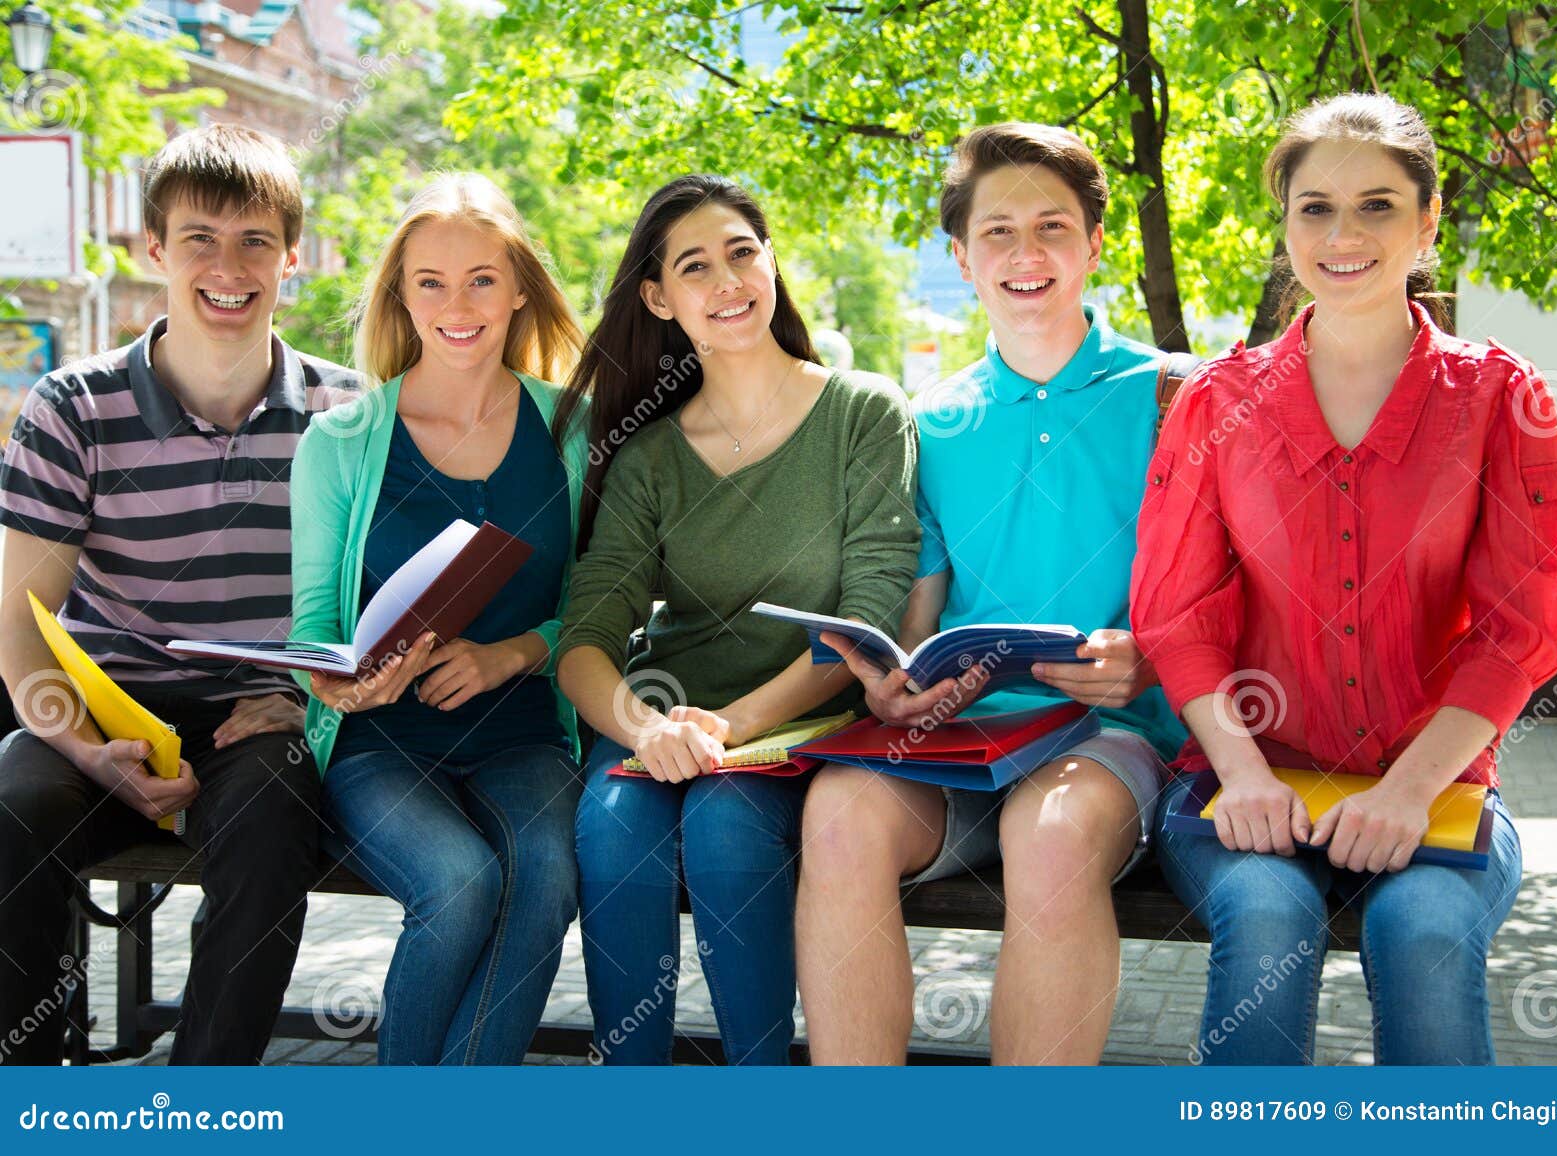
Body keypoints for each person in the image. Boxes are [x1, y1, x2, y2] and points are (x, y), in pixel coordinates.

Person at [1132, 93, 1557, 1065]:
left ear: (1427, 224)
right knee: (1265, 918)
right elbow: (1175, 614)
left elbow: (1524, 622)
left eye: (1377, 205)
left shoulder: (1504, 397)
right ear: (1284, 224)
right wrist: (1244, 775)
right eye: (1315, 207)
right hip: (1245, 786)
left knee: (1419, 930)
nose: (1343, 234)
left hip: (1437, 789)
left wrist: (1410, 791)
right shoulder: (1216, 400)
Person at [797, 123, 1187, 1064]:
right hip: (963, 737)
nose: (1027, 254)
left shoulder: (1179, 396)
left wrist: (1151, 656)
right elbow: (920, 617)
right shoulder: (930, 419)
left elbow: (1233, 595)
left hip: (1113, 740)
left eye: (1053, 227)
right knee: (839, 812)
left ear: (1095, 246)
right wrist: (894, 686)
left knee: (1046, 836)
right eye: (998, 232)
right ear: (962, 258)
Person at [0, 125, 357, 1064]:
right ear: (154, 249)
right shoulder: (70, 408)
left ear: (292, 257)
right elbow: (19, 626)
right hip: (101, 709)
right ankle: (29, 1092)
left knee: (276, 813)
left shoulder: (346, 415)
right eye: (200, 237)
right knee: (9, 802)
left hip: (263, 720)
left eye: (255, 240)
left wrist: (305, 700)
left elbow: (372, 614)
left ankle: (203, 1099)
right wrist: (84, 745)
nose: (228, 265)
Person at [553, 174, 919, 1064]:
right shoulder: (646, 454)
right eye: (695, 267)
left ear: (772, 263)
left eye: (742, 253)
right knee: (608, 825)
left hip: (800, 721)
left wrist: (732, 728)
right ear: (659, 298)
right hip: (668, 721)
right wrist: (648, 729)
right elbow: (585, 639)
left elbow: (866, 615)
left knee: (723, 829)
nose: (727, 282)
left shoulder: (864, 411)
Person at [290, 174, 588, 1065]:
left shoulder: (573, 429)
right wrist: (336, 679)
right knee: (459, 884)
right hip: (383, 741)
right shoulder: (340, 441)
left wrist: (514, 655)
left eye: (482, 279)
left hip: (527, 732)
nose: (457, 304)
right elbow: (310, 622)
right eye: (431, 282)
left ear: (521, 290)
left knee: (543, 874)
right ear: (401, 296)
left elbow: (605, 607)